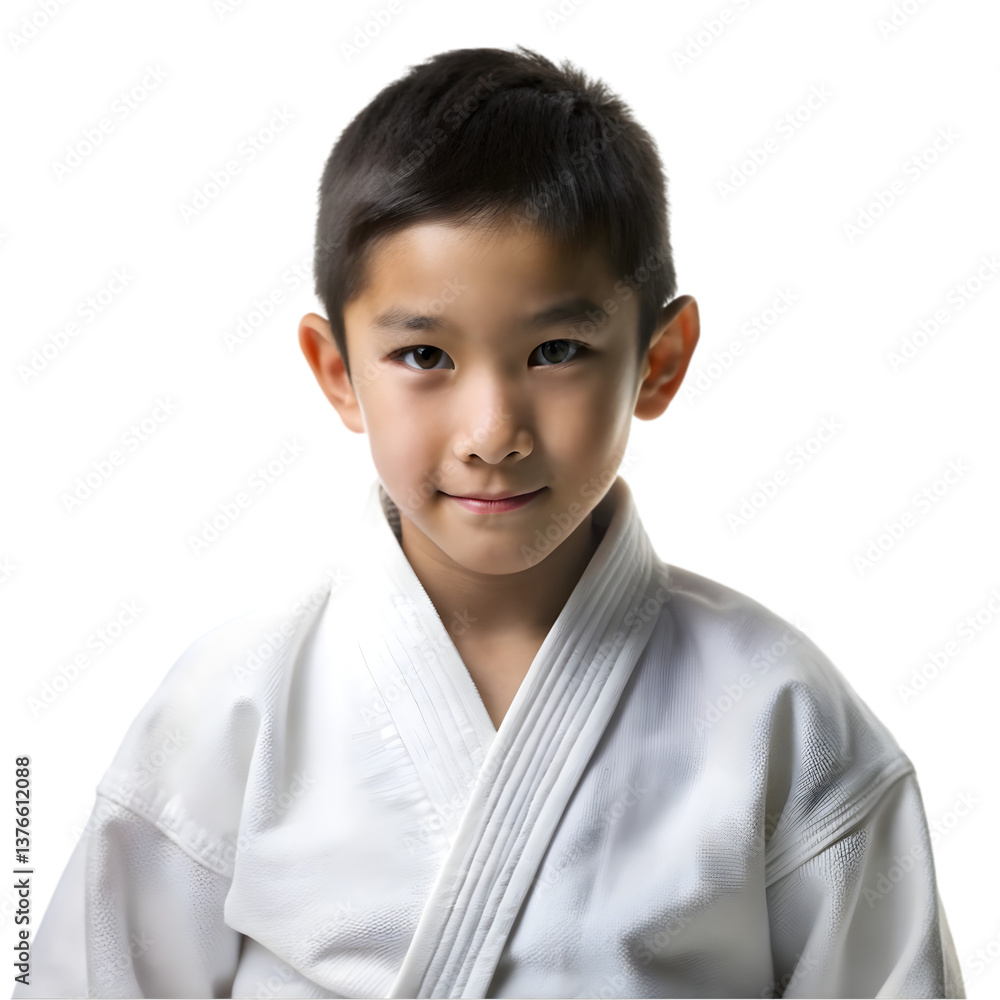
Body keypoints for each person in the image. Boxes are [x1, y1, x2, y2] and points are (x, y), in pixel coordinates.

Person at [16, 46, 964, 999]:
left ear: (660, 361)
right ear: (338, 369)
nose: (492, 433)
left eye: (557, 350)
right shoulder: (235, 701)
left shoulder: (779, 712)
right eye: (424, 354)